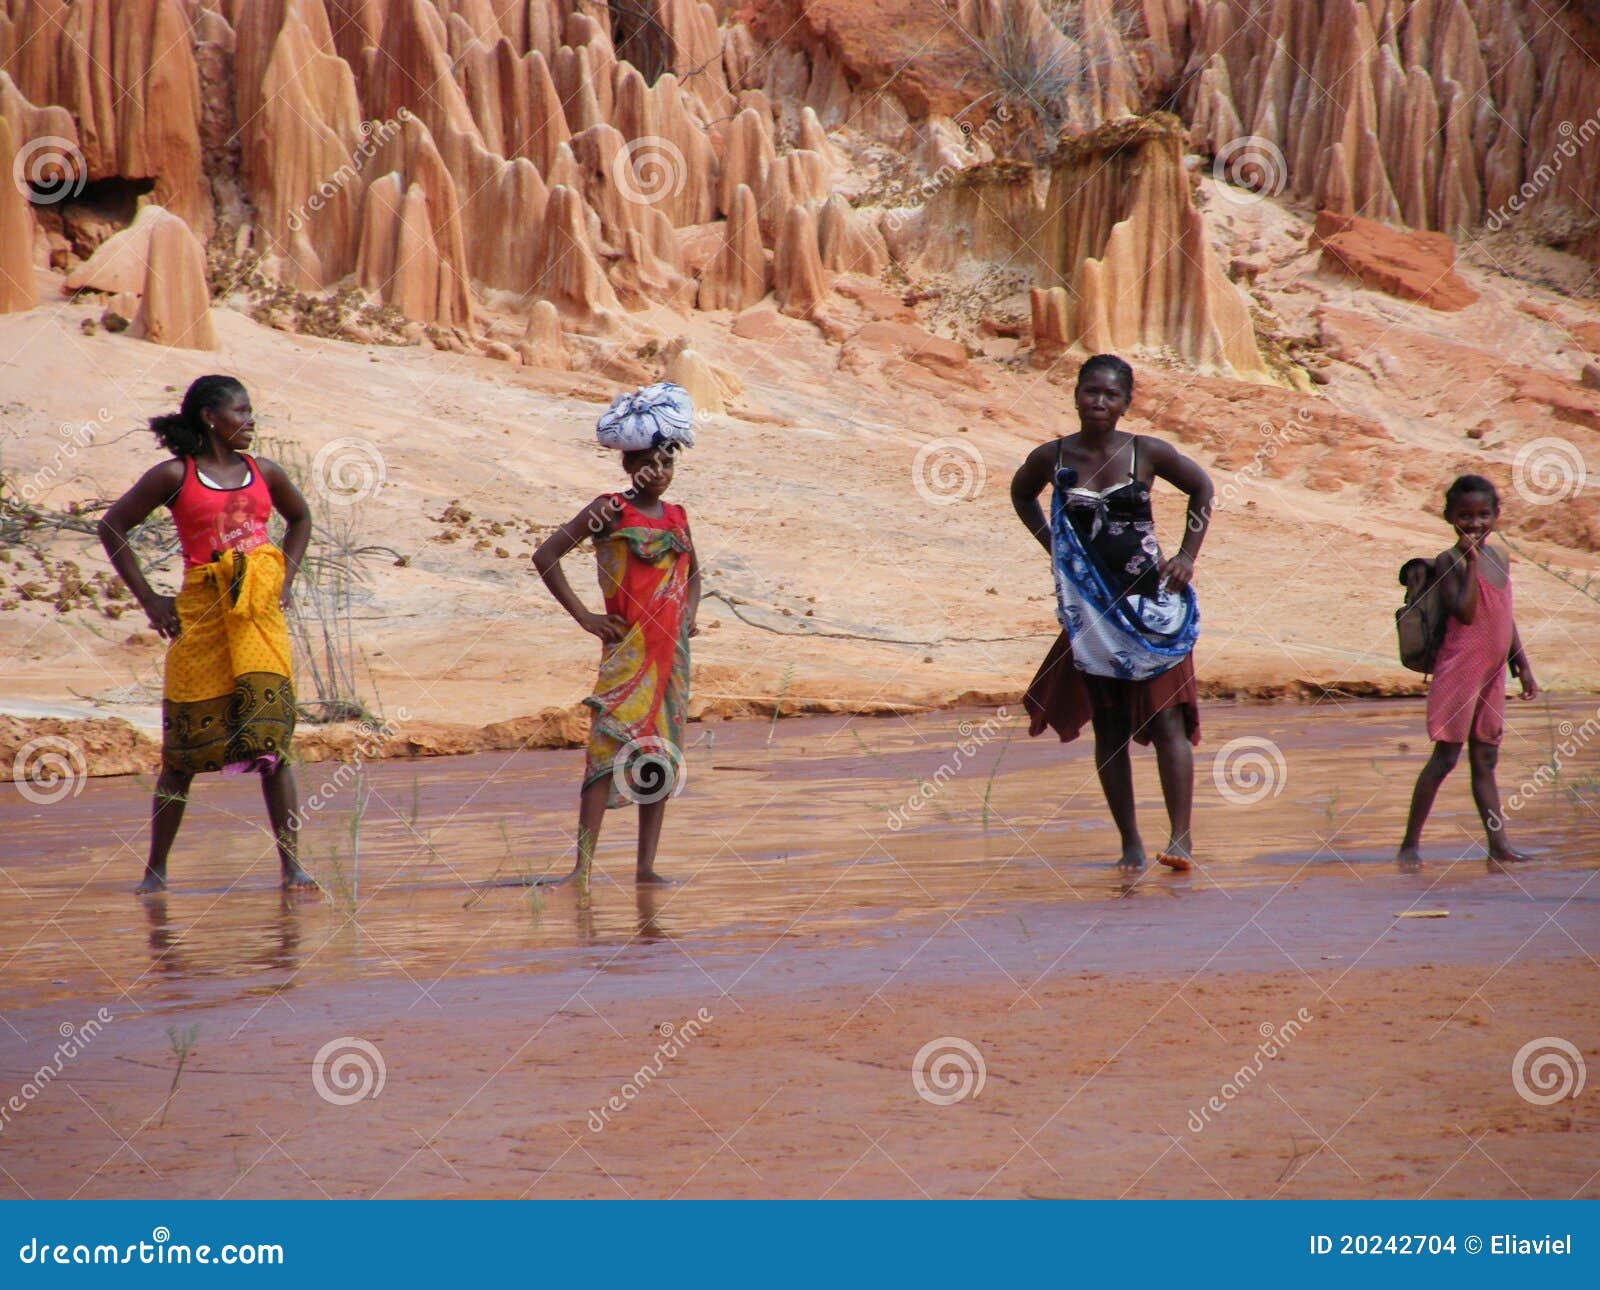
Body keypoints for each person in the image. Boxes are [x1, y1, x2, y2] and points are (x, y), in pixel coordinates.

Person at [98, 375, 316, 893]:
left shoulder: (265, 471)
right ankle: (156, 871)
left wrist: (284, 575)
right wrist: (149, 599)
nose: (250, 420)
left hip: (258, 618)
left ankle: (293, 868)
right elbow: (112, 527)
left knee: (272, 744)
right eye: (241, 411)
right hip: (200, 615)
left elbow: (301, 518)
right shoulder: (174, 475)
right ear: (209, 417)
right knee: (183, 753)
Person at [1011, 354, 1213, 870]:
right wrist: (1053, 547)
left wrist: (1187, 554)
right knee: (1108, 729)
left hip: (1150, 605)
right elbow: (1021, 494)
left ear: (1126, 403)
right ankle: (1130, 845)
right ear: (1075, 394)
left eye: (1111, 395)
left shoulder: (1145, 453)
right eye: (1090, 392)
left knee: (1168, 721)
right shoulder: (1054, 457)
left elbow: (1201, 488)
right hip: (1093, 614)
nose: (1099, 402)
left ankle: (1181, 842)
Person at [533, 382, 701, 891]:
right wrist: (585, 616)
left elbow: (695, 573)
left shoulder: (677, 516)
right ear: (630, 467)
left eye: (669, 464)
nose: (661, 473)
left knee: (661, 754)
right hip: (628, 654)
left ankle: (644, 867)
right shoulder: (610, 509)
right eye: (651, 464)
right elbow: (546, 555)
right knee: (606, 752)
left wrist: (690, 612)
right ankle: (580, 869)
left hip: (671, 654)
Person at [1397, 475, 1537, 867]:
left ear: (1495, 516)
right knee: (1445, 758)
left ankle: (1499, 845)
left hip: (1492, 671)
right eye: (1465, 516)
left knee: (1486, 760)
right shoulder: (1449, 561)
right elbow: (1466, 611)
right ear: (1448, 517)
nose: (1474, 524)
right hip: (1460, 670)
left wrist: (1522, 665)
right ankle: (1410, 844)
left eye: (1482, 515)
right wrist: (1471, 562)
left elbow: (1505, 617)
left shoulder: (1502, 558)